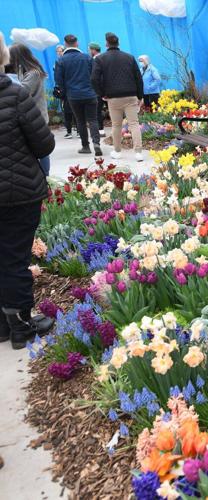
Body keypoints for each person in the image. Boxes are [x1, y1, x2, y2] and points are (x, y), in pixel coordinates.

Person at [0, 32, 56, 350]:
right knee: (14, 258)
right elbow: (44, 143)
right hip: (17, 192)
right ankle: (20, 325)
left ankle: (3, 325)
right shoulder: (14, 93)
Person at [91, 32, 144, 162]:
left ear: (106, 44)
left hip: (112, 97)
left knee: (116, 125)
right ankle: (138, 153)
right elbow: (138, 78)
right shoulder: (130, 58)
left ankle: (117, 151)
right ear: (118, 43)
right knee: (134, 124)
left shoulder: (100, 59)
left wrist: (102, 93)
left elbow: (94, 79)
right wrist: (140, 96)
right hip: (130, 95)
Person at [55, 34, 103, 156]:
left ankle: (85, 146)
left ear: (65, 44)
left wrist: (65, 93)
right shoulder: (87, 58)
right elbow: (95, 76)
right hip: (90, 94)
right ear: (77, 43)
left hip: (73, 96)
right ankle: (96, 144)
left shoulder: (61, 61)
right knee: (93, 120)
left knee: (80, 121)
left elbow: (59, 80)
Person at [8, 43, 51, 176]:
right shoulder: (22, 71)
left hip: (37, 116)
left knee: (41, 148)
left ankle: (46, 175)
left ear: (18, 57)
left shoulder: (34, 73)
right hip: (28, 116)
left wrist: (9, 79)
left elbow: (23, 91)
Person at [53, 44, 74, 139]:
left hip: (68, 89)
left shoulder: (65, 61)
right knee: (65, 110)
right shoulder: (57, 62)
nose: (58, 53)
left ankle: (76, 130)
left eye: (60, 51)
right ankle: (69, 131)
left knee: (73, 110)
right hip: (63, 90)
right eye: (57, 51)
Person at [88, 42, 106, 136]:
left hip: (98, 89)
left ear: (93, 50)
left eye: (90, 50)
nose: (89, 51)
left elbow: (94, 77)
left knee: (97, 110)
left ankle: (101, 130)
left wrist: (98, 91)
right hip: (109, 88)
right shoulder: (105, 57)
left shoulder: (94, 60)